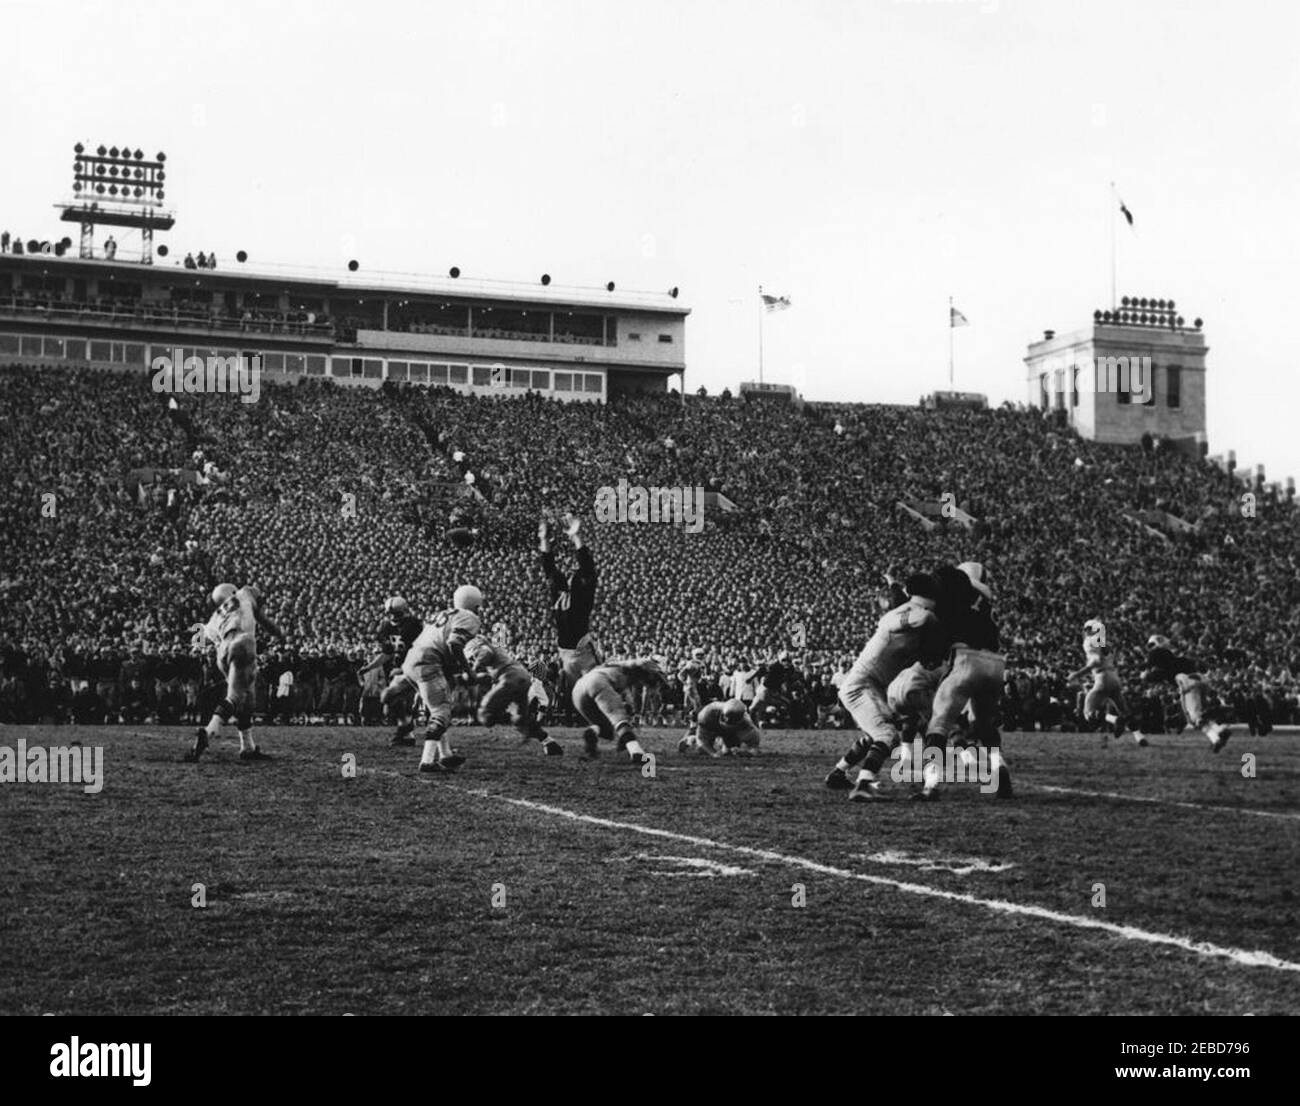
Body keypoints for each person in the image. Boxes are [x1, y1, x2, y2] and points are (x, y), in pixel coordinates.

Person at [824, 572, 945, 801]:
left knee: (874, 735)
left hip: (872, 685)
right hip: (862, 685)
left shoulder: (906, 615)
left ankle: (838, 773)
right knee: (887, 734)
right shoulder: (902, 617)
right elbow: (923, 618)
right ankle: (863, 784)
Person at [914, 562, 1013, 800]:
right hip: (996, 664)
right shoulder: (985, 606)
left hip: (967, 660)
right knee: (985, 725)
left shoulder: (952, 600)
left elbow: (938, 635)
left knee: (938, 724)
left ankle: (932, 783)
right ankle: (1000, 769)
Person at [392, 585, 483, 774]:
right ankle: (427, 761)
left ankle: (446, 755)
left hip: (412, 661)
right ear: (475, 604)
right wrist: (468, 671)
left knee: (437, 709)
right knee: (442, 710)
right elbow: (454, 644)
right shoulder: (470, 617)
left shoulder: (442, 613)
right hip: (428, 661)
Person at [186, 583, 281, 762]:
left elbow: (197, 638)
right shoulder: (245, 593)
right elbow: (263, 615)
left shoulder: (215, 616)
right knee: (236, 697)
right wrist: (279, 634)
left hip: (223, 651)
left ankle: (248, 747)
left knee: (247, 699)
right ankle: (208, 731)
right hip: (243, 643)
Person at [464, 634, 563, 756]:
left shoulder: (474, 644)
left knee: (484, 716)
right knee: (520, 719)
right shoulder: (495, 648)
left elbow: (485, 653)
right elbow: (490, 672)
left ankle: (503, 715)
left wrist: (472, 671)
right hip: (522, 676)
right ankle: (548, 742)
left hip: (509, 678)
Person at [539, 512, 602, 695]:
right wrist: (547, 541)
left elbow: (585, 567)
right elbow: (549, 567)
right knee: (574, 694)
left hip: (577, 650)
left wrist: (573, 537)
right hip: (570, 651)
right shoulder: (564, 592)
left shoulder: (578, 594)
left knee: (592, 691)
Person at [1139, 634, 1231, 751]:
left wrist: (1146, 675)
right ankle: (1215, 738)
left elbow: (1157, 672)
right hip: (1200, 680)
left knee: (1195, 718)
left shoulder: (1157, 655)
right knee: (1199, 717)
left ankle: (1220, 730)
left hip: (1187, 683)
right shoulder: (1176, 657)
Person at [572, 657, 665, 764]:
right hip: (599, 682)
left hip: (578, 689)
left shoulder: (613, 666)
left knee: (606, 730)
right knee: (619, 719)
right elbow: (638, 665)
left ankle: (592, 732)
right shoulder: (629, 669)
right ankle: (636, 752)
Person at [1066, 618, 1142, 746]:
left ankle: (1115, 720)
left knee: (1088, 713)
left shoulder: (1089, 641)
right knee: (1125, 712)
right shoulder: (1106, 642)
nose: (1084, 633)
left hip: (1102, 677)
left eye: (1086, 630)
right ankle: (1140, 738)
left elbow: (1095, 661)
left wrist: (1077, 674)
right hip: (1114, 676)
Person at [679, 698, 760, 756]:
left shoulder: (747, 724)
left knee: (728, 752)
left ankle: (723, 744)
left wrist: (743, 752)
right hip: (712, 726)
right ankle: (691, 739)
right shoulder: (708, 713)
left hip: (731, 733)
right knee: (702, 750)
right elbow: (702, 739)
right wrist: (713, 753)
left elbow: (754, 749)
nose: (727, 722)